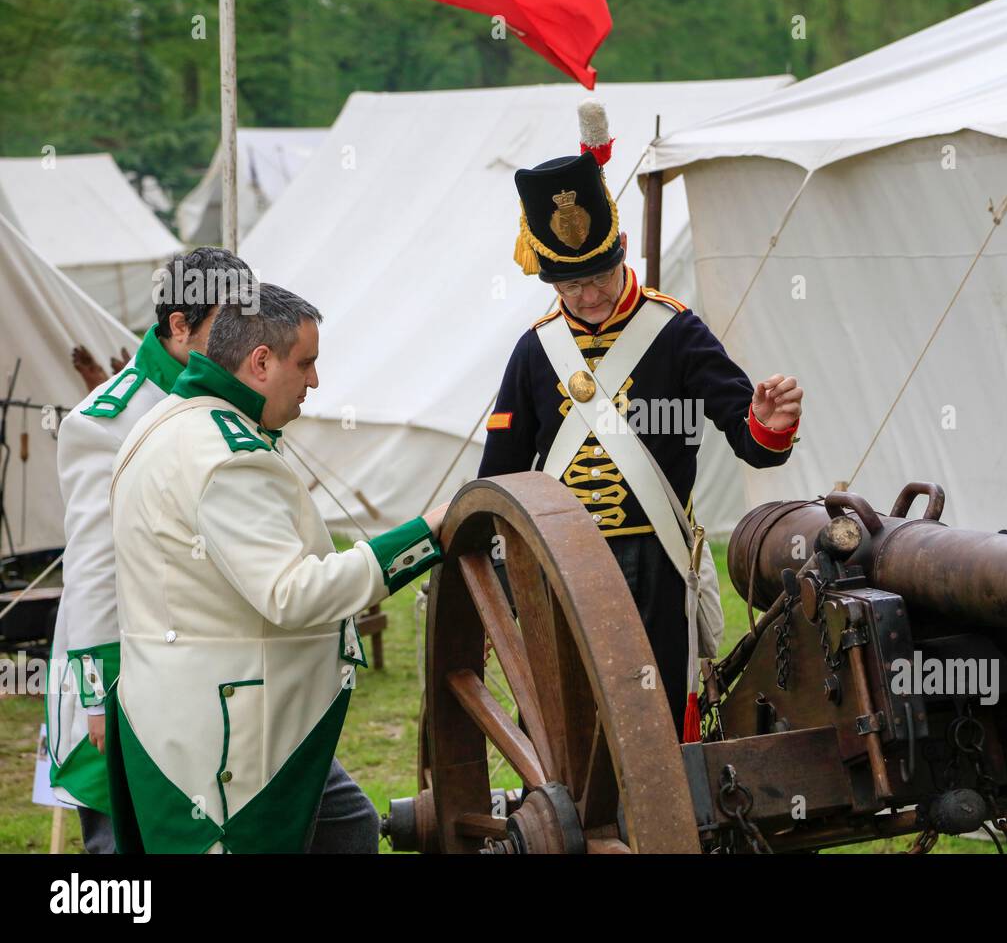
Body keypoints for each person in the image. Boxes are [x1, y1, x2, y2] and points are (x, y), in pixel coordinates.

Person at [479, 116, 803, 742]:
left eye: (598, 277)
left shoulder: (675, 331)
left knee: (651, 716)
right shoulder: (535, 350)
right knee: (562, 713)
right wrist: (499, 578)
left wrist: (764, 421)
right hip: (561, 556)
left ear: (621, 252)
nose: (591, 296)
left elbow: (749, 439)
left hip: (652, 554)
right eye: (572, 285)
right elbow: (501, 471)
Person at [105, 283, 447, 853]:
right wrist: (422, 536)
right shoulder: (230, 457)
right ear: (260, 361)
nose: (314, 381)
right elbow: (291, 594)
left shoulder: (161, 421)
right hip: (229, 743)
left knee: (348, 825)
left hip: (176, 713)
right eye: (306, 363)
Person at [47, 246, 249, 854]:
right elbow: (93, 572)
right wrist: (99, 697)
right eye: (225, 328)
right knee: (122, 857)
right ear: (179, 326)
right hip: (124, 679)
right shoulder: (104, 422)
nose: (243, 344)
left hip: (217, 678)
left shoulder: (237, 396)